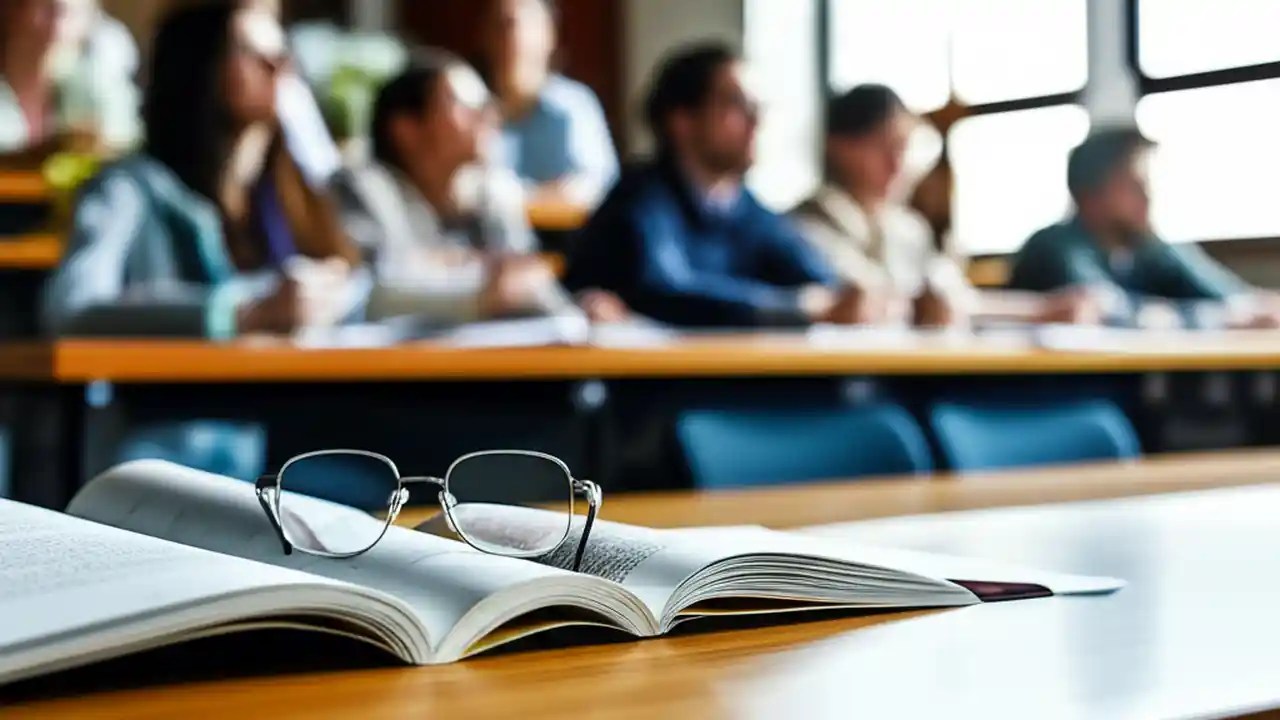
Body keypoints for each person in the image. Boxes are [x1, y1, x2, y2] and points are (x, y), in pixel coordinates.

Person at [42, 2, 362, 339]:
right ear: (197, 68)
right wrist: (237, 314)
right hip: (173, 389)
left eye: (281, 51)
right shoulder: (127, 189)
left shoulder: (290, 193)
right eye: (248, 51)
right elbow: (70, 309)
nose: (277, 66)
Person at [565, 43, 872, 328]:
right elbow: (664, 291)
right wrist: (794, 308)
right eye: (738, 104)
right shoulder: (640, 200)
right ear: (682, 120)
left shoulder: (746, 207)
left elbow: (817, 279)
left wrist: (854, 299)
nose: (756, 120)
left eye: (759, 106)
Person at [792, 85, 1098, 327]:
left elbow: (959, 300)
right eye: (880, 146)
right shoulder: (804, 225)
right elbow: (871, 301)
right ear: (838, 146)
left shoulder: (907, 229)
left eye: (902, 147)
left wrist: (1042, 311)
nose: (896, 163)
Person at [335, 49, 597, 322]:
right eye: (464, 105)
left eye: (486, 103)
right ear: (406, 129)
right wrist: (481, 294)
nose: (489, 115)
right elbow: (372, 292)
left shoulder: (490, 191)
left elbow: (524, 281)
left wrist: (578, 308)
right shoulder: (363, 189)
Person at [1009, 127, 1280, 328]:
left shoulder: (1150, 248)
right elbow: (1104, 310)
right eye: (1134, 186)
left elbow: (1236, 298)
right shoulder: (1055, 247)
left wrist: (1244, 310)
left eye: (1148, 185)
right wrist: (1223, 318)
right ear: (1090, 195)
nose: (1147, 197)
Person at [482, 0, 618, 207]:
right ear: (487, 38)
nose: (512, 38)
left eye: (521, 25)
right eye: (502, 26)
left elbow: (597, 188)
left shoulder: (574, 106)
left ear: (549, 35)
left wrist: (521, 199)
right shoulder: (470, 111)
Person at [0, 0, 140, 164]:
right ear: (12, 11)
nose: (56, 27)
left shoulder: (94, 85)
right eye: (47, 10)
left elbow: (122, 144)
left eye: (70, 14)